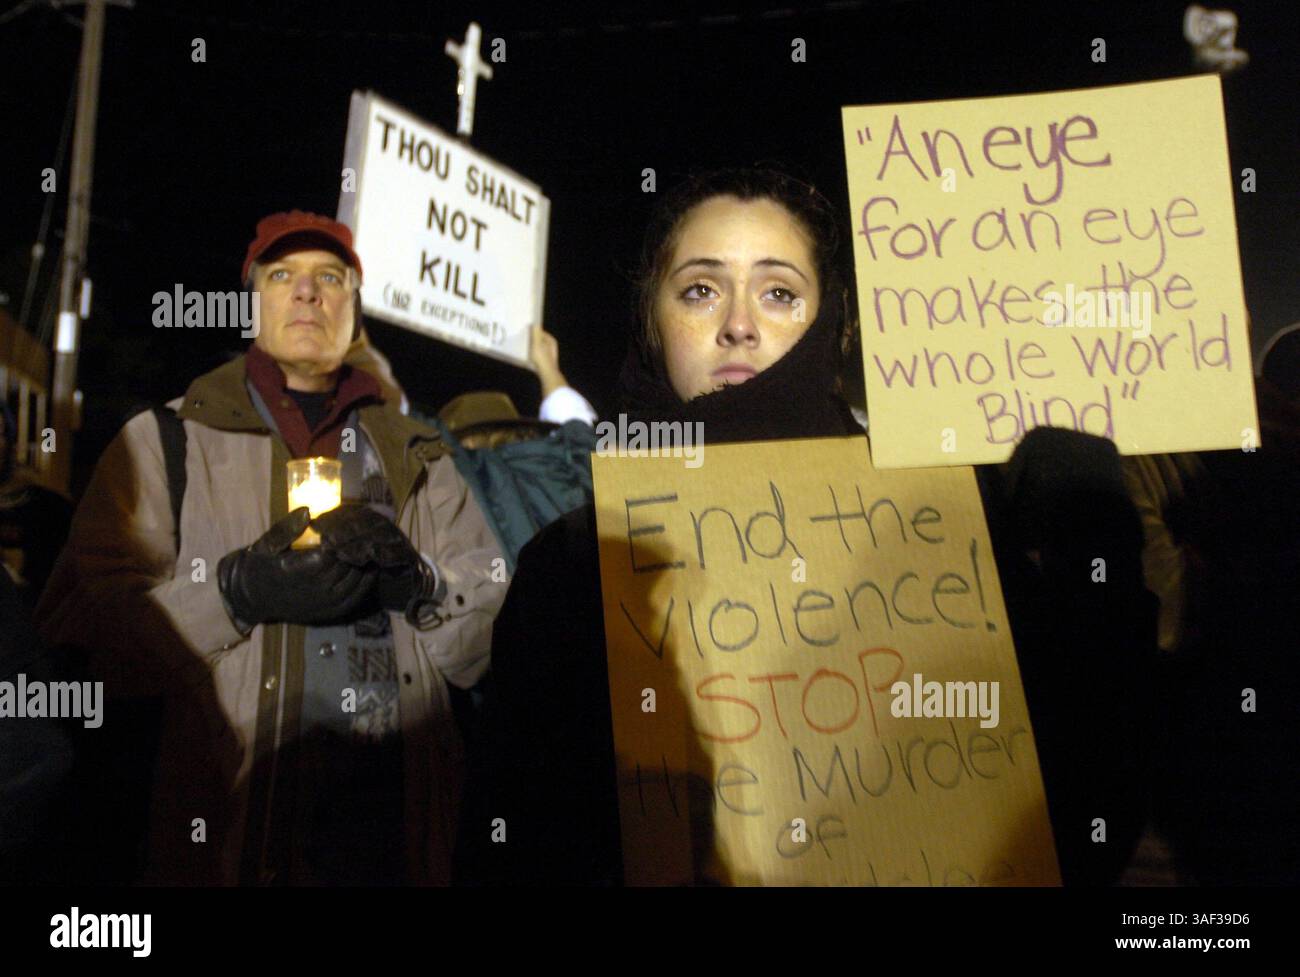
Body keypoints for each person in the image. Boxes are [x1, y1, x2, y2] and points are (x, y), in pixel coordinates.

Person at [455, 167, 1156, 886]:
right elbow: (507, 848)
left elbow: (1084, 817)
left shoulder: (946, 526)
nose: (738, 322)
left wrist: (1093, 558)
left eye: (779, 292)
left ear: (832, 324)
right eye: (700, 289)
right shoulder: (578, 556)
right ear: (650, 322)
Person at [36, 210, 507, 885]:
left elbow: (495, 621)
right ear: (249, 300)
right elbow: (82, 632)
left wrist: (425, 587)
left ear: (354, 306)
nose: (308, 292)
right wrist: (232, 592)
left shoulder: (419, 452)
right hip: (224, 848)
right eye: (282, 274)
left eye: (330, 276)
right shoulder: (166, 440)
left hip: (391, 851)